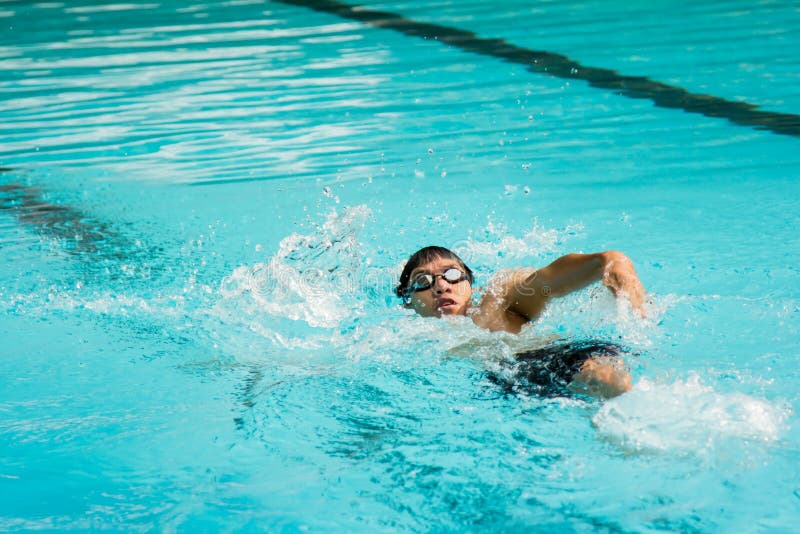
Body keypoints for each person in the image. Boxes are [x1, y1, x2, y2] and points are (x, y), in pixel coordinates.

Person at [394, 246, 648, 397]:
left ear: (471, 285)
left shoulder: (498, 300)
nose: (440, 286)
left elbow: (544, 282)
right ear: (408, 301)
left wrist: (607, 262)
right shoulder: (401, 339)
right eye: (422, 281)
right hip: (508, 384)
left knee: (609, 384)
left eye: (452, 274)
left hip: (563, 358)